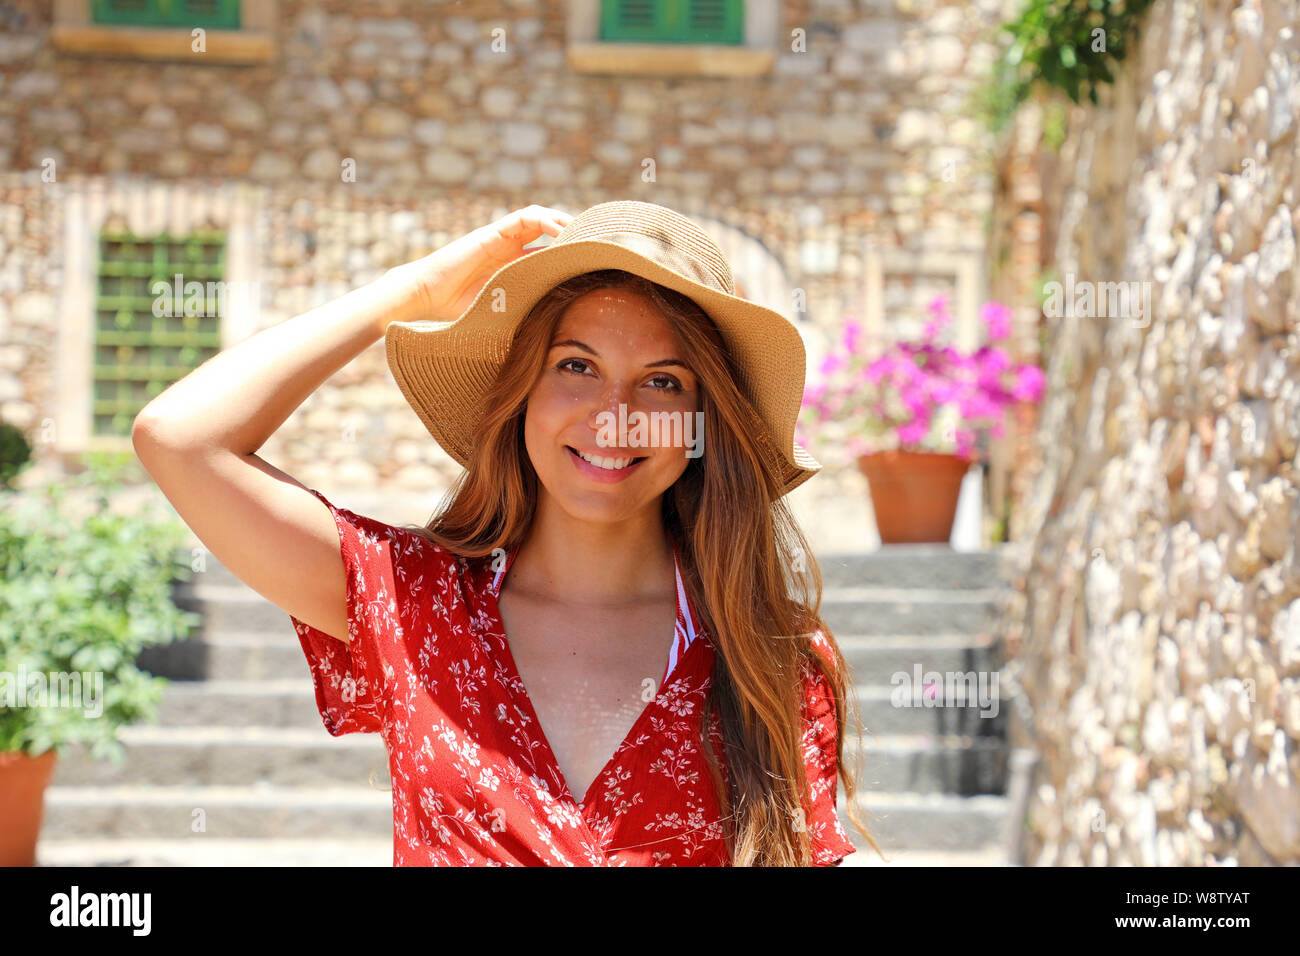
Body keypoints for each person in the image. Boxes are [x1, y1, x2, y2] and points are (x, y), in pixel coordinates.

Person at [134, 200, 882, 866]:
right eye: (576, 365)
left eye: (662, 381)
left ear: (698, 424)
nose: (613, 413)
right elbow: (179, 438)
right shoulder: (414, 607)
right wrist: (418, 292)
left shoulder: (775, 661)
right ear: (522, 391)